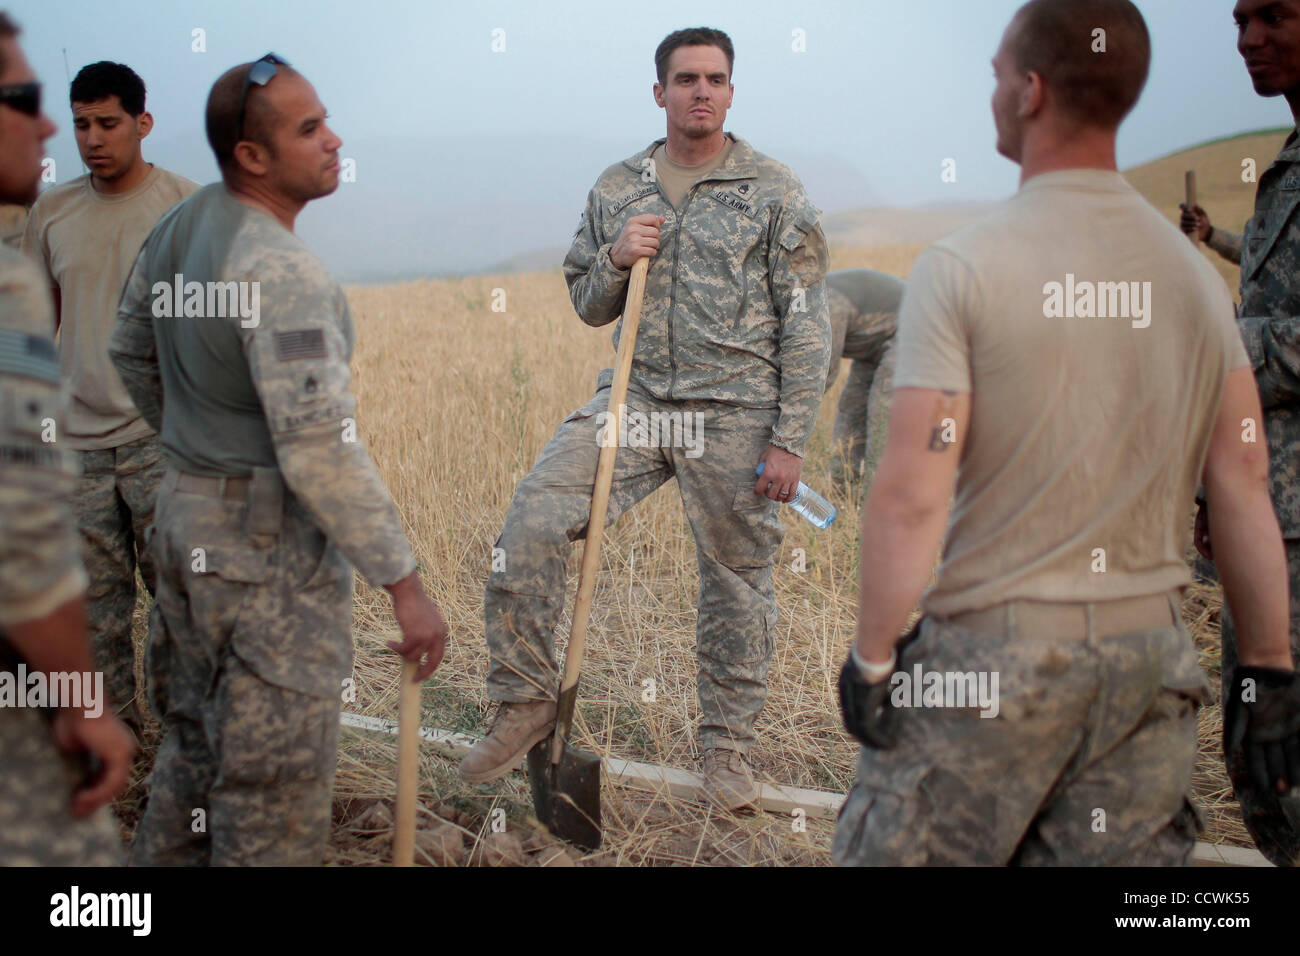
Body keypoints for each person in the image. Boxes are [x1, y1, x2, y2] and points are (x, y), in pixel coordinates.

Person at [834, 0, 1298, 866]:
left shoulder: (963, 267)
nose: (995, 94)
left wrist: (870, 659)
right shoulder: (1192, 282)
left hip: (995, 659)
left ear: (1031, 92)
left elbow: (911, 491)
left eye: (998, 76)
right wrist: (1270, 668)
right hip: (1149, 670)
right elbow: (1242, 480)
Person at [460, 27, 831, 812]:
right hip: (637, 401)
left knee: (736, 584)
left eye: (717, 79)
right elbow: (588, 304)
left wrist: (789, 439)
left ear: (732, 92)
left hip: (736, 408)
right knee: (533, 517)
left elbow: (806, 322)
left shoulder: (773, 190)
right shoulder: (618, 186)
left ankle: (727, 752)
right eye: (687, 78)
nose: (702, 91)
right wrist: (616, 257)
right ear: (658, 92)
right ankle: (525, 702)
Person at [109, 54, 448, 865]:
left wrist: (198, 454)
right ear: (253, 157)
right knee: (273, 801)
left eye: (326, 119)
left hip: (185, 523)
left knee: (190, 758)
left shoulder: (185, 223)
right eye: (310, 129)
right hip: (264, 562)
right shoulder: (282, 270)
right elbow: (318, 453)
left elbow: (126, 349)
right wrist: (404, 584)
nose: (335, 141)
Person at [22, 61, 198, 737]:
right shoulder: (52, 213)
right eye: (80, 124)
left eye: (107, 122)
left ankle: (187, 756)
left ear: (141, 124)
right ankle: (117, 755)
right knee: (94, 615)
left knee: (183, 607)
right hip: (76, 451)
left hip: (161, 444)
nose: (92, 138)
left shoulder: (184, 209)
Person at [0, 10, 134, 865]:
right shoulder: (15, 265)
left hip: (147, 443)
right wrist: (81, 699)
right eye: (23, 99)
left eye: (96, 118)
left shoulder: (177, 209)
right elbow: (19, 539)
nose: (56, 128)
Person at [1193, 0, 1300, 867]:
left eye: (1276, 17)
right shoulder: (1288, 164)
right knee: (1261, 758)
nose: (1250, 41)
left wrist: (1210, 349)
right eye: (1239, 22)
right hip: (1268, 510)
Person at [823, 268, 904, 486]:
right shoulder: (799, 302)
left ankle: (880, 498)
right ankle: (843, 489)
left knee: (882, 413)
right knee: (851, 407)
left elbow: (818, 377)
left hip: (913, 331)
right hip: (874, 341)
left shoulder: (825, 305)